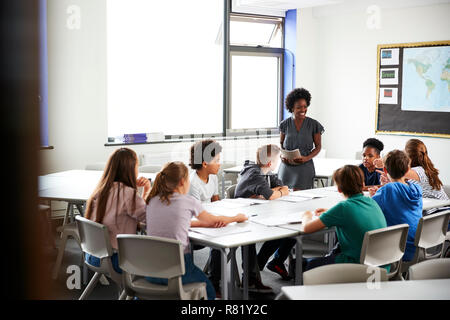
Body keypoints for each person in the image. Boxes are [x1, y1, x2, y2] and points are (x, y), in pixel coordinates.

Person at [145, 161, 247, 300]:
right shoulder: (187, 201)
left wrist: (203, 225)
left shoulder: (152, 200)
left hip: (150, 272)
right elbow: (213, 220)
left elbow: (177, 222)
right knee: (209, 292)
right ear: (182, 182)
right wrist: (236, 217)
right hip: (178, 269)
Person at [301, 165, 388, 271]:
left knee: (305, 266)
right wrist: (330, 212)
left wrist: (306, 215)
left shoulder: (343, 207)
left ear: (338, 188)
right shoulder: (371, 201)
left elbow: (306, 228)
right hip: (381, 265)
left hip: (358, 266)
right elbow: (353, 212)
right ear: (363, 184)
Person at [235, 144, 296, 290]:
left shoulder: (266, 171)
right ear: (270, 163)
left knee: (291, 229)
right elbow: (272, 195)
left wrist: (274, 192)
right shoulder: (254, 174)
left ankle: (264, 262)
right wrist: (275, 192)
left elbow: (283, 187)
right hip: (245, 217)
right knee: (284, 229)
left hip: (261, 211)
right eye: (277, 160)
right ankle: (251, 274)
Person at [84, 148, 151, 273]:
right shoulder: (128, 194)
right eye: (137, 165)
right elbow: (151, 219)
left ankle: (130, 292)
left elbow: (137, 212)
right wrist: (147, 190)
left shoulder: (100, 191)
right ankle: (139, 292)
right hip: (115, 260)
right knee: (158, 259)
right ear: (131, 168)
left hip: (93, 255)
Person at [371, 150, 422, 262]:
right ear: (408, 169)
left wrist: (378, 193)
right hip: (415, 248)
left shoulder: (388, 190)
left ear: (385, 169)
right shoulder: (416, 189)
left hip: (395, 250)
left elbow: (368, 208)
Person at [188, 139, 222, 295]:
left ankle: (215, 278)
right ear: (205, 163)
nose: (219, 164)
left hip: (208, 221)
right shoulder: (192, 183)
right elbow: (196, 213)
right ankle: (214, 282)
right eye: (217, 161)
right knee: (219, 241)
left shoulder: (213, 177)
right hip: (194, 227)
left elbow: (216, 201)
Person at [278, 88, 324, 190]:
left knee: (304, 198)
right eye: (299, 107)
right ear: (292, 108)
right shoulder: (284, 124)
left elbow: (318, 147)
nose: (303, 110)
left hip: (305, 168)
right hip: (286, 168)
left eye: (305, 106)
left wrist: (306, 158)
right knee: (283, 197)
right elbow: (281, 144)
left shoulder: (314, 125)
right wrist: (282, 156)